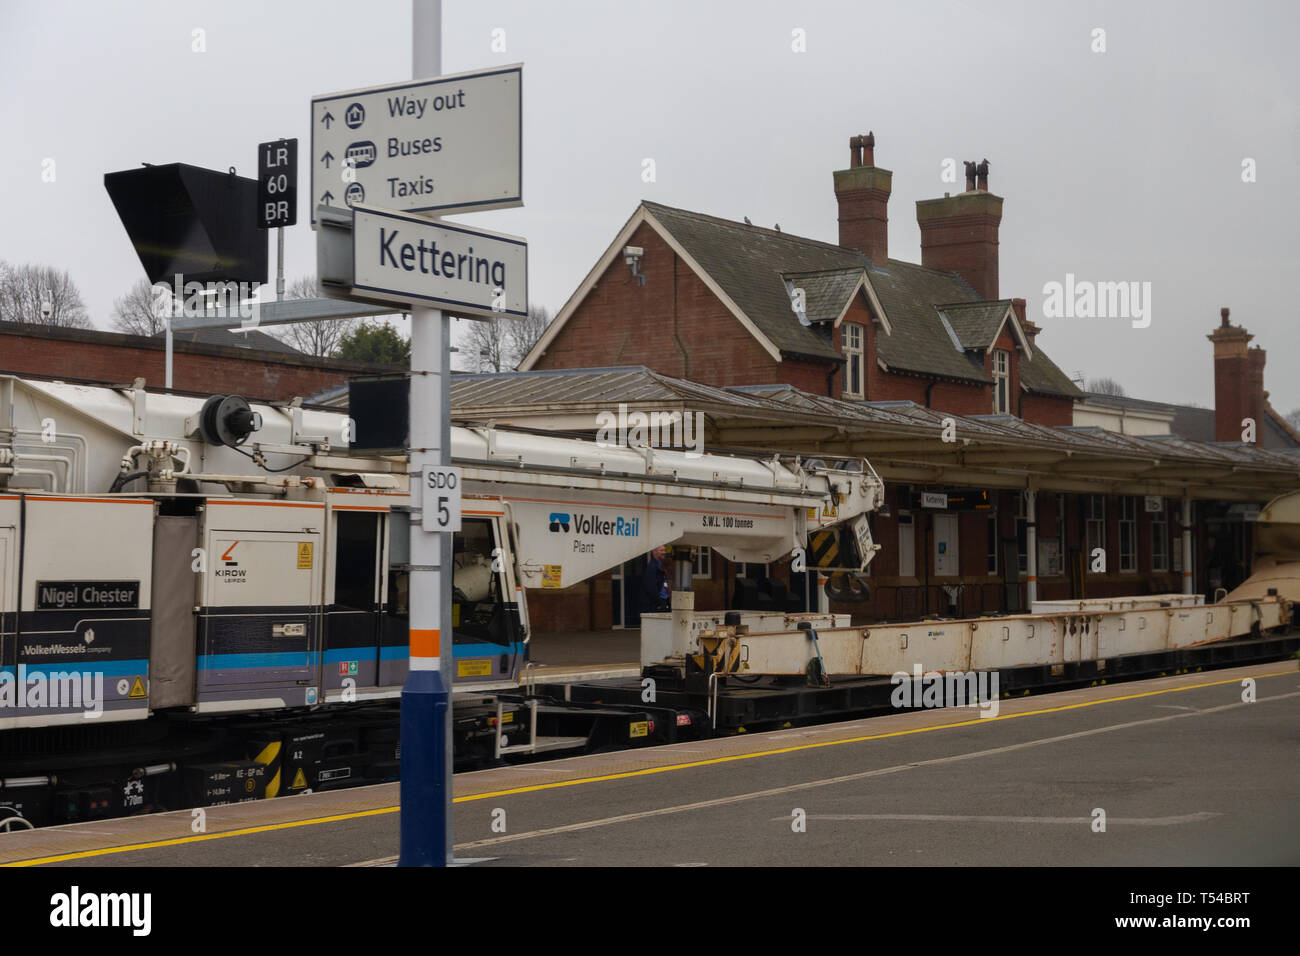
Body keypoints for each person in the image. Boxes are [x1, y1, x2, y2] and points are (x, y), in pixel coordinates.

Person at [640, 545, 670, 613]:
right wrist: (659, 602)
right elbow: (651, 588)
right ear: (654, 552)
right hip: (656, 605)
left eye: (664, 550)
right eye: (661, 550)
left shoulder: (659, 566)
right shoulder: (652, 567)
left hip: (663, 601)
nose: (664, 552)